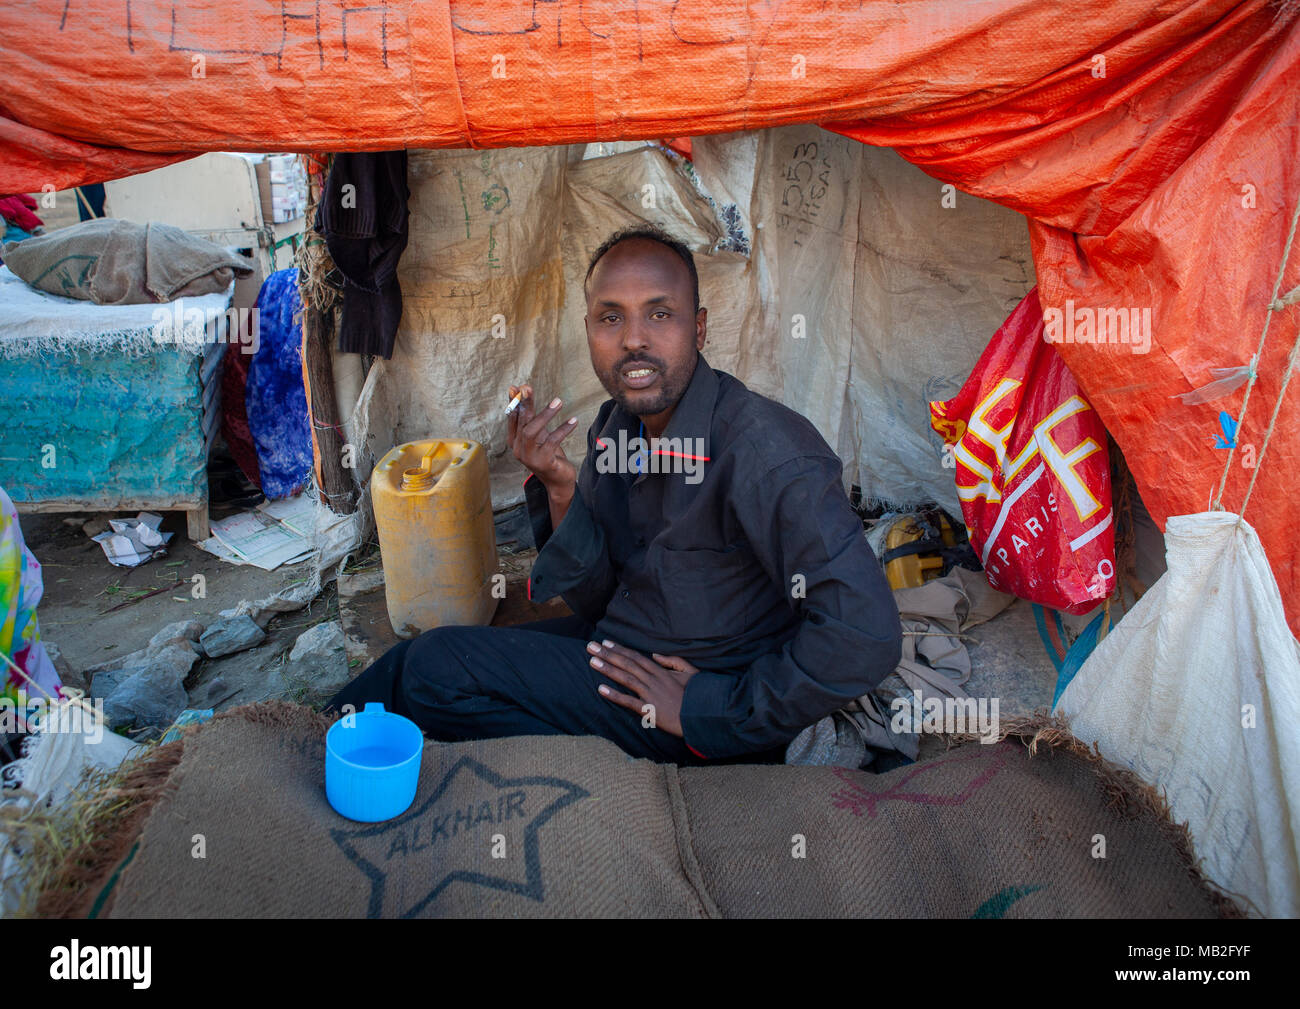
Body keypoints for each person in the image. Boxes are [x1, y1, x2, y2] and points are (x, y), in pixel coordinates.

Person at [328, 225, 902, 764]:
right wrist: (559, 484)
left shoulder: (768, 454)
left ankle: (306, 755)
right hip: (624, 642)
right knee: (428, 659)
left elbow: (865, 636)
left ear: (698, 329)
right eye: (610, 318)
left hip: (705, 697)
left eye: (660, 314)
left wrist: (707, 707)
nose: (633, 340)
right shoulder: (616, 427)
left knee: (434, 671)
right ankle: (317, 741)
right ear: (588, 331)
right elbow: (598, 599)